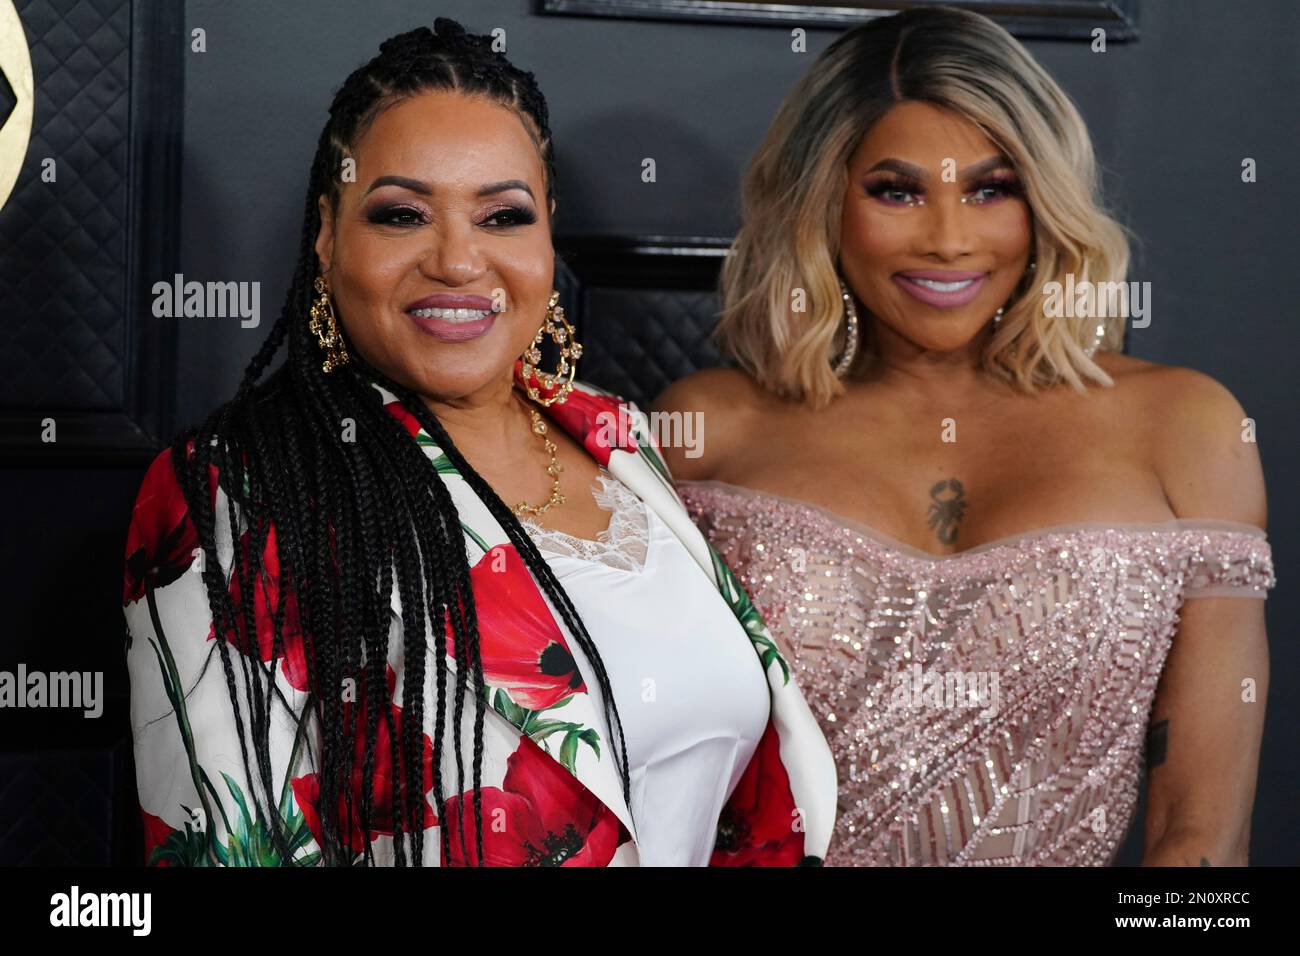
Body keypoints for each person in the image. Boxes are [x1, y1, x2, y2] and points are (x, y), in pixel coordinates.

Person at [121, 19, 835, 867]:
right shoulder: (234, 491)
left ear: (547, 236)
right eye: (401, 215)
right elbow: (224, 847)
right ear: (326, 232)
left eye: (503, 215)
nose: (459, 261)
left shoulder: (621, 438)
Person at [654, 5, 1273, 866]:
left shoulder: (1188, 428)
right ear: (822, 202)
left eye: (991, 188)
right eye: (897, 191)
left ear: (1044, 201)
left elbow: (1200, 837)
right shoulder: (706, 431)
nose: (950, 240)